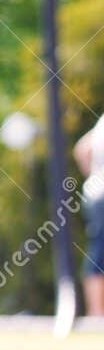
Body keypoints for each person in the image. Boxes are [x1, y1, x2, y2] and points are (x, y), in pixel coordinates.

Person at [73, 116, 104, 317]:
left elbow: (82, 148)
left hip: (96, 191)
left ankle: (96, 313)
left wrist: (92, 174)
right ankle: (96, 313)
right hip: (101, 194)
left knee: (99, 249)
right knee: (99, 252)